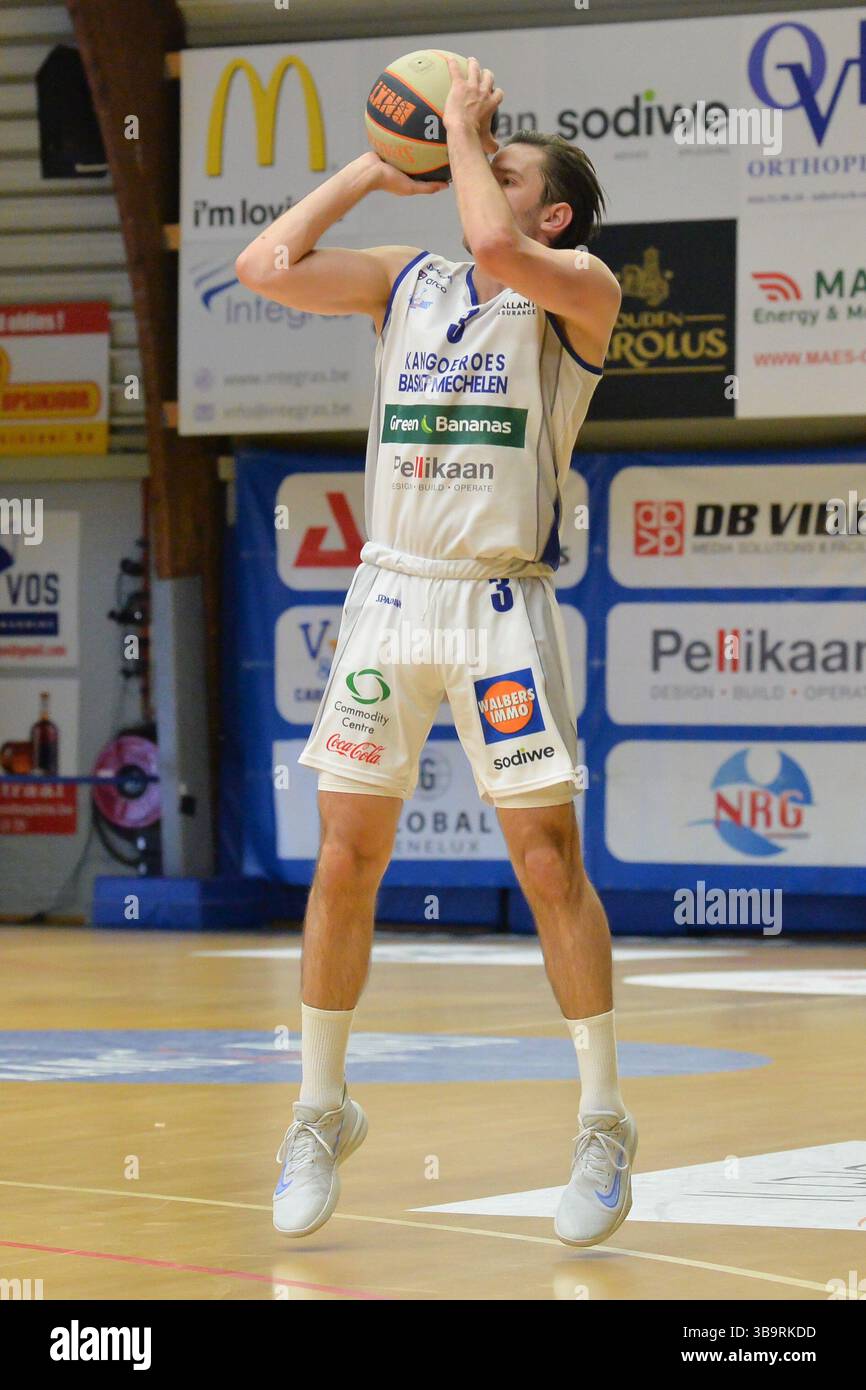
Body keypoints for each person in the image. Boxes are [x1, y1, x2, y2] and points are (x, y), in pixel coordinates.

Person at [236, 56, 635, 1249]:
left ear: (549, 208)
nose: (481, 160)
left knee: (547, 863)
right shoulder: (406, 280)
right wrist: (381, 156)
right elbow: (266, 267)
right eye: (480, 153)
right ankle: (319, 1107)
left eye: (504, 165)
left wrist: (458, 131)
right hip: (388, 600)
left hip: (496, 602)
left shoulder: (575, 284)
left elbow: (497, 250)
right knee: (345, 856)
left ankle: (602, 1121)